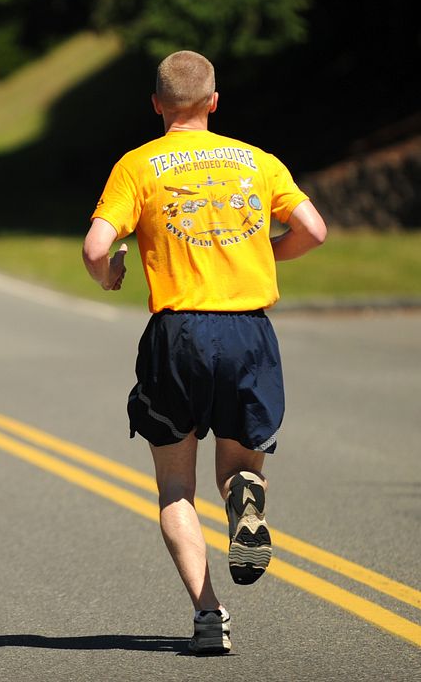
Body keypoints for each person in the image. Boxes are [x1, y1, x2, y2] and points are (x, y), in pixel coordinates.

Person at [82, 50, 327, 654]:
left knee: (175, 489)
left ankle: (209, 615)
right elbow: (314, 230)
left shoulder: (138, 165)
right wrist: (269, 253)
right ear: (214, 102)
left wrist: (110, 275)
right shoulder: (256, 161)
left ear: (157, 105)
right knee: (239, 465)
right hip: (249, 333)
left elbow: (95, 247)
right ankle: (245, 496)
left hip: (179, 335)